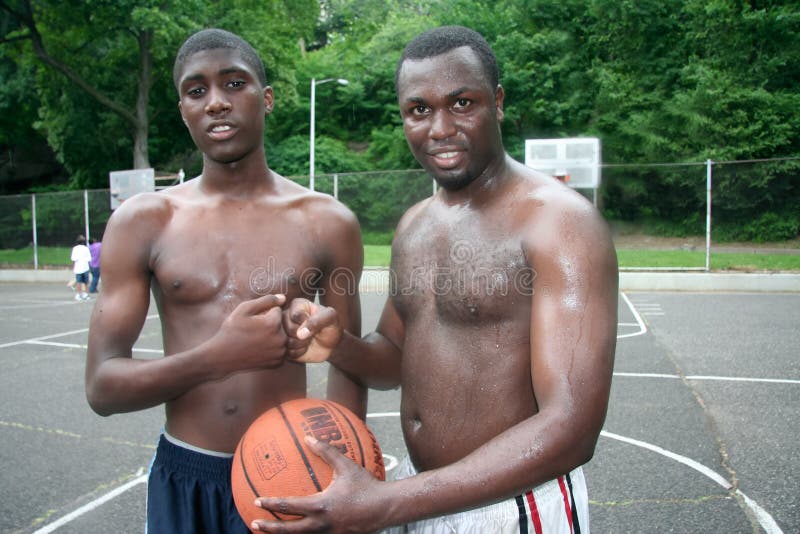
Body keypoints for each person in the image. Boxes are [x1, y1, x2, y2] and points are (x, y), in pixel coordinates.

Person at [253, 26, 618, 533]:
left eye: (462, 103)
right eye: (419, 110)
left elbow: (572, 427)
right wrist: (337, 345)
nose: (440, 128)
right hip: (422, 497)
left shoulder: (560, 224)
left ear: (498, 101)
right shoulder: (414, 226)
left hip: (514, 507)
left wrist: (387, 502)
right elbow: (393, 363)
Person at [84, 28, 364, 533]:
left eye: (235, 84)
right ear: (183, 109)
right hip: (184, 473)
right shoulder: (143, 220)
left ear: (267, 98)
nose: (216, 103)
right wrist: (218, 356)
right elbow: (103, 388)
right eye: (197, 91)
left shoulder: (326, 221)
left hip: (293, 474)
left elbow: (347, 362)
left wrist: (345, 471)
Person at [70, 235, 91, 301]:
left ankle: (78, 294)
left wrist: (73, 266)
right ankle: (86, 294)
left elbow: (73, 258)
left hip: (78, 268)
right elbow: (89, 258)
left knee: (79, 282)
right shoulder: (86, 248)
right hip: (85, 267)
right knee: (86, 282)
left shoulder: (75, 248)